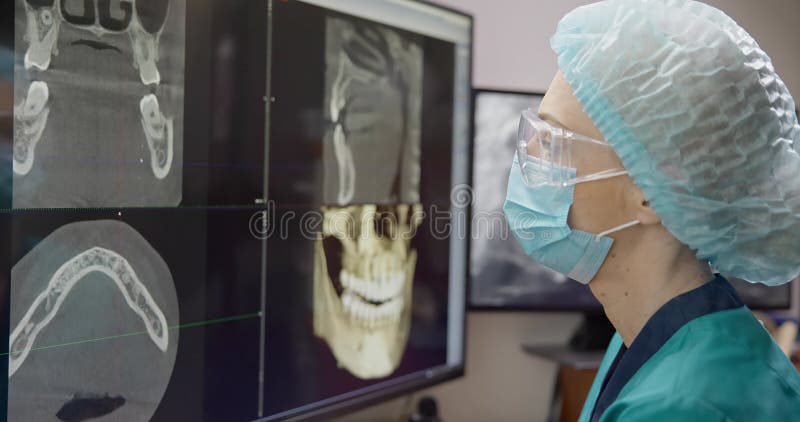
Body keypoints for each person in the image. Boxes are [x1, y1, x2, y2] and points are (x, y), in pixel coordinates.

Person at [503, 0, 800, 420]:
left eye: (555, 140)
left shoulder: (682, 406)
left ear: (650, 192)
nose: (530, 153)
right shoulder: (651, 334)